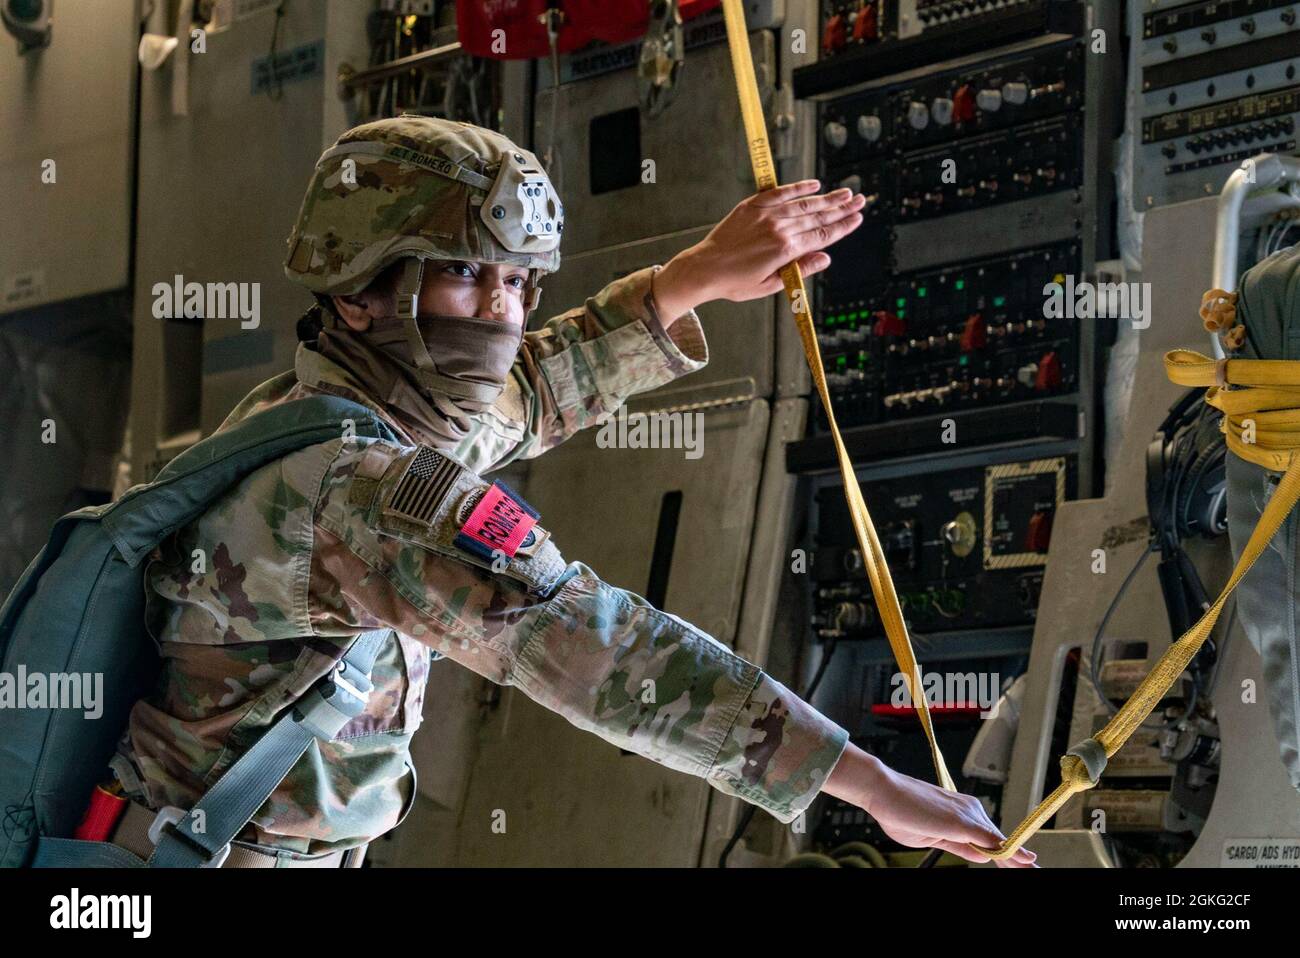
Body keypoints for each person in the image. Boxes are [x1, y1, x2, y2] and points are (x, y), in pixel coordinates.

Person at [105, 115, 1035, 867]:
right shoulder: (359, 487)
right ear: (357, 291)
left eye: (516, 280)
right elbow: (607, 653)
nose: (504, 311)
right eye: (467, 274)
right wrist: (876, 789)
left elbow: (533, 392)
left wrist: (693, 280)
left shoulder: (315, 414)